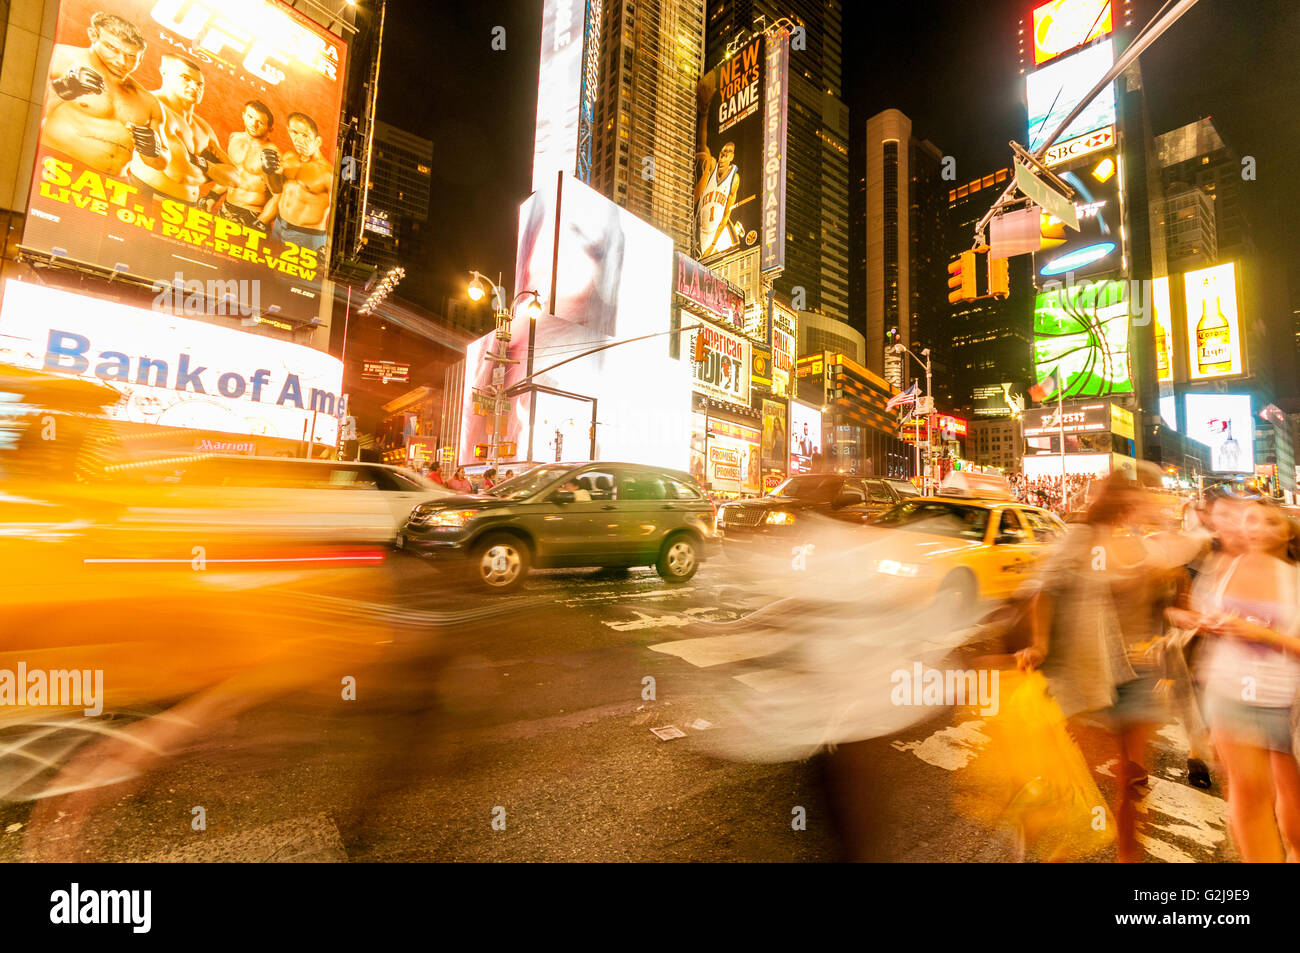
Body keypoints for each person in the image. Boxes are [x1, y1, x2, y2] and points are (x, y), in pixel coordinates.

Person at [1017, 473, 1180, 862]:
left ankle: (1128, 853)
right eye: (1134, 499)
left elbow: (1167, 595)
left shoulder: (1142, 543)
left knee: (1134, 778)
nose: (1141, 506)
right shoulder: (1080, 539)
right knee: (1083, 776)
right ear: (1117, 502)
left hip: (1139, 670)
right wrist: (1040, 644)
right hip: (1090, 670)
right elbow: (1044, 590)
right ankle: (1051, 830)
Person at [1172, 494, 1300, 861]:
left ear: (1288, 534)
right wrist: (1200, 623)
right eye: (1251, 520)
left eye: (1269, 522)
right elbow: (1204, 615)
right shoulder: (1223, 566)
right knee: (1249, 794)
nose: (1255, 528)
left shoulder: (1293, 579)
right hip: (1228, 696)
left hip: (1283, 704)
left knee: (1289, 806)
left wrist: (1263, 635)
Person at [42, 11, 168, 177]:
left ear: (141, 57)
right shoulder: (61, 57)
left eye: (131, 56)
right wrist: (63, 89)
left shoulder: (149, 101)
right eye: (112, 48)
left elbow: (161, 163)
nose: (122, 61)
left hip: (111, 186)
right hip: (55, 169)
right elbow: (23, 110)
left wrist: (153, 151)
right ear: (93, 35)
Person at [127, 53, 238, 205]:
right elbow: (181, 174)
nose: (194, 87)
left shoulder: (203, 127)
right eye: (186, 78)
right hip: (149, 199)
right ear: (165, 73)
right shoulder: (155, 108)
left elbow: (235, 179)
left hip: (186, 209)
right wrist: (215, 172)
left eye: (200, 84)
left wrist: (198, 162)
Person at [201, 100, 280, 230]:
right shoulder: (235, 138)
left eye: (260, 122)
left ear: (269, 129)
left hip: (253, 214)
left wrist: (261, 222)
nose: (253, 124)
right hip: (227, 208)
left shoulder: (273, 154)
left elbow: (278, 196)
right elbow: (231, 174)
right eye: (250, 117)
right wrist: (212, 197)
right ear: (243, 115)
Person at [263, 112, 333, 252]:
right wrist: (269, 172)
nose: (299, 140)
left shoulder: (328, 174)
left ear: (317, 141)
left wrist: (328, 247)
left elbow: (338, 217)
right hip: (278, 225)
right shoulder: (288, 157)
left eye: (305, 136)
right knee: (267, 270)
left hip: (306, 236)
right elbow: (276, 190)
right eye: (295, 133)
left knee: (289, 275)